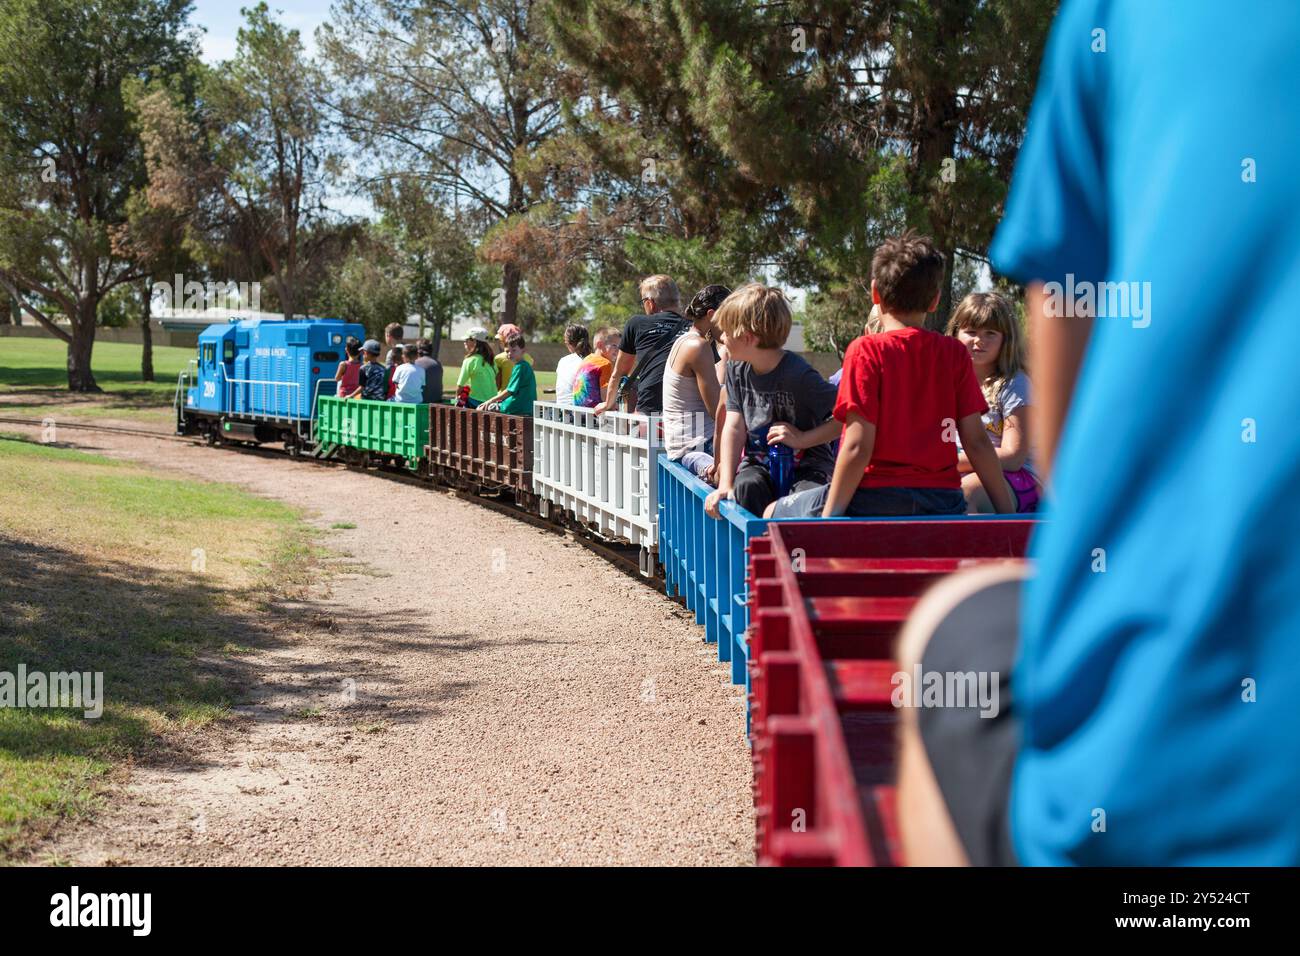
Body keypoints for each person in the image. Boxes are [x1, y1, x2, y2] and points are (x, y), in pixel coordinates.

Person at [897, 1, 1300, 868]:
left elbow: (1049, 442)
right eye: (965, 329)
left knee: (948, 624)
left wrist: (998, 489)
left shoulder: (1119, 17)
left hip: (1162, 798)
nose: (973, 341)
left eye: (983, 331)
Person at [770, 232, 1014, 520]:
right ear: (935, 300)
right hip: (942, 501)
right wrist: (1008, 515)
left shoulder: (865, 351)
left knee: (771, 512)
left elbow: (859, 445)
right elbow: (977, 442)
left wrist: (830, 518)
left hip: (873, 499)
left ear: (875, 293)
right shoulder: (954, 354)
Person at [702, 284, 840, 519]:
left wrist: (803, 439)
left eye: (726, 332)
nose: (722, 338)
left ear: (748, 338)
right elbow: (734, 427)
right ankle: (755, 553)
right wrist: (726, 484)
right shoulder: (736, 370)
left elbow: (845, 418)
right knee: (746, 487)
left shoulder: (799, 375)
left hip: (808, 468)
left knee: (807, 505)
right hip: (760, 465)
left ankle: (796, 556)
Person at [947, 292, 1039, 514]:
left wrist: (948, 462)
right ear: (955, 333)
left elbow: (1013, 456)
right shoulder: (945, 383)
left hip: (1018, 478)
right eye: (971, 332)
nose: (979, 340)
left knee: (963, 495)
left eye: (990, 333)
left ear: (1005, 339)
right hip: (958, 469)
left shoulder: (1015, 384)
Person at [596, 275, 689, 416]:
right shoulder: (694, 328)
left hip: (651, 410)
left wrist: (608, 404)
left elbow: (620, 372)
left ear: (650, 303)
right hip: (689, 414)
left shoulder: (637, 323)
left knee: (639, 433)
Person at [663, 284, 730, 476]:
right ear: (711, 315)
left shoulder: (687, 340)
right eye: (729, 318)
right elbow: (717, 410)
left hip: (688, 442)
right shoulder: (697, 346)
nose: (732, 325)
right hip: (697, 445)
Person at [482, 332, 537, 414]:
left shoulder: (520, 367)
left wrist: (490, 401)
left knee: (482, 408)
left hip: (518, 407)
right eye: (507, 351)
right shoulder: (525, 365)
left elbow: (509, 391)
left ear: (523, 350)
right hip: (528, 407)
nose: (510, 353)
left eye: (514, 350)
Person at [572, 328, 621, 408]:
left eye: (619, 347)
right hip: (594, 414)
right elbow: (606, 398)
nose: (618, 350)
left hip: (579, 412)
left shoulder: (587, 359)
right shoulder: (605, 363)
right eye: (614, 345)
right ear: (600, 345)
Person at [456, 328, 498, 408]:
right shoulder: (492, 360)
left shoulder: (469, 361)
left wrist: (456, 401)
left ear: (474, 341)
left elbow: (460, 386)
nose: (464, 342)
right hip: (492, 404)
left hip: (475, 403)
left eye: (466, 340)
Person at [553, 324, 591, 407]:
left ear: (568, 343)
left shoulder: (562, 361)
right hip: (579, 413)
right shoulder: (590, 361)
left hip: (560, 410)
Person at [492, 323, 534, 391]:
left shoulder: (499, 359)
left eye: (501, 339)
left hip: (505, 398)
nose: (500, 342)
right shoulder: (529, 358)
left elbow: (497, 385)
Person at [413, 339, 443, 404]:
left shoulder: (415, 364)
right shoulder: (438, 364)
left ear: (418, 351)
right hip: (437, 403)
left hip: (422, 403)